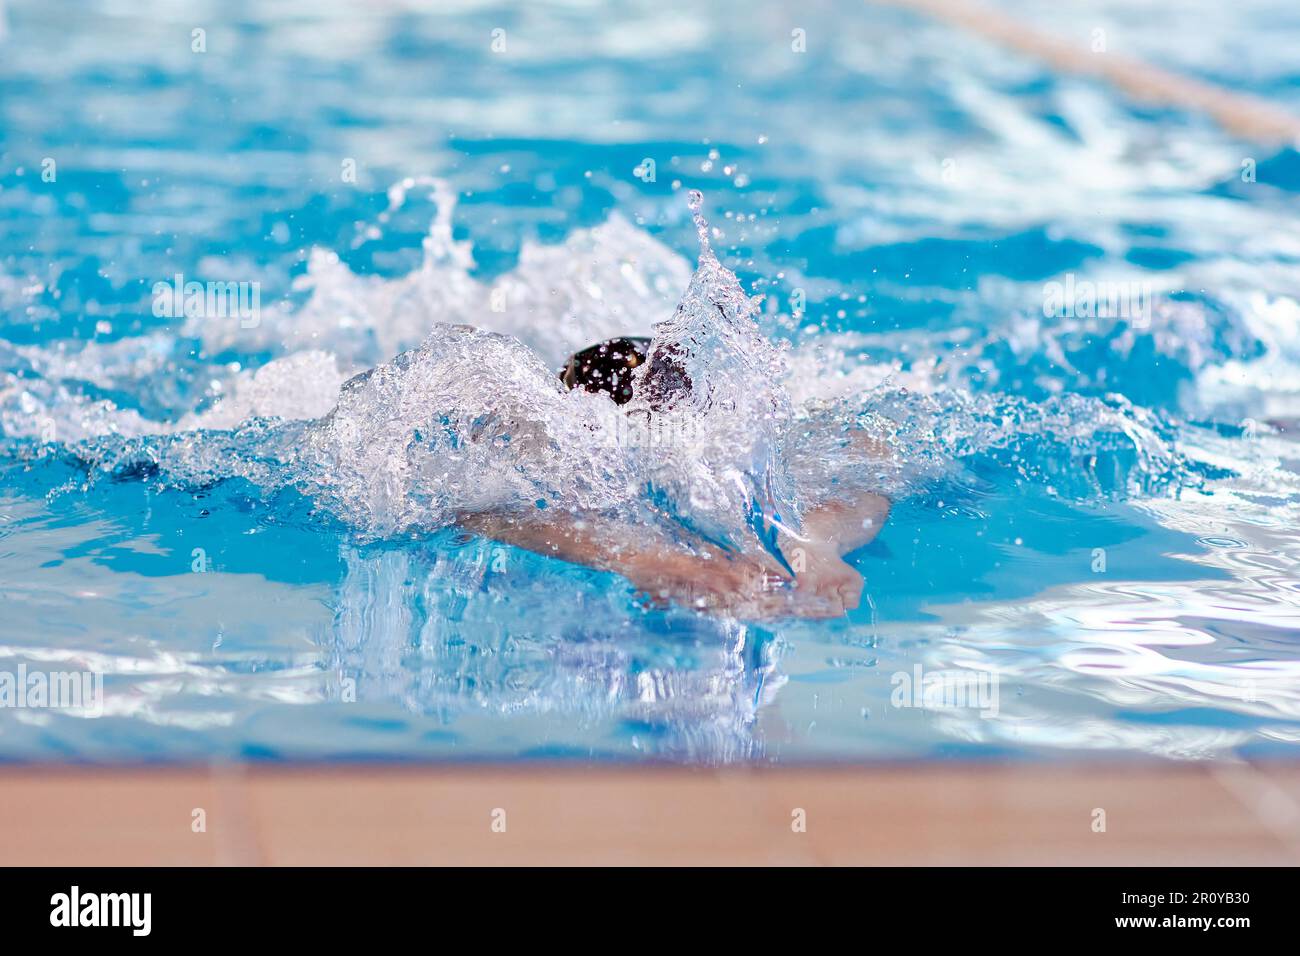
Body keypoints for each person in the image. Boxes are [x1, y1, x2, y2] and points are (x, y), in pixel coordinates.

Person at [459, 336, 891, 620]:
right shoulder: (536, 453)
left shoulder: (736, 446)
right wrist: (650, 561)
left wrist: (812, 543)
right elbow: (476, 512)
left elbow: (871, 474)